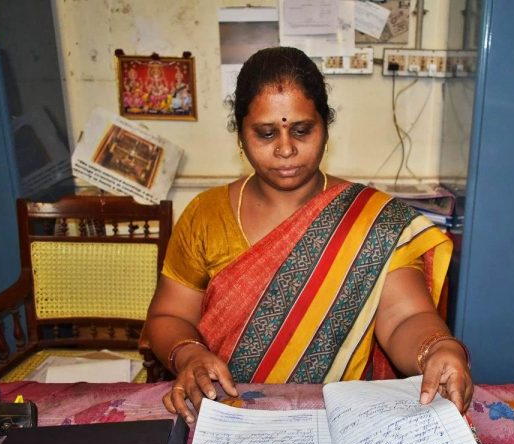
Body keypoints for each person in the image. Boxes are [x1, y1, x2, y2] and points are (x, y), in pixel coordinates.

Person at [143, 47, 472, 423]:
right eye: (266, 133)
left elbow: (404, 317)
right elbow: (169, 315)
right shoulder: (206, 216)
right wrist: (189, 355)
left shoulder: (372, 221)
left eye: (302, 130)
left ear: (325, 128)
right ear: (240, 134)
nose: (286, 149)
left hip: (340, 420)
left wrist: (437, 349)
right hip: (226, 416)